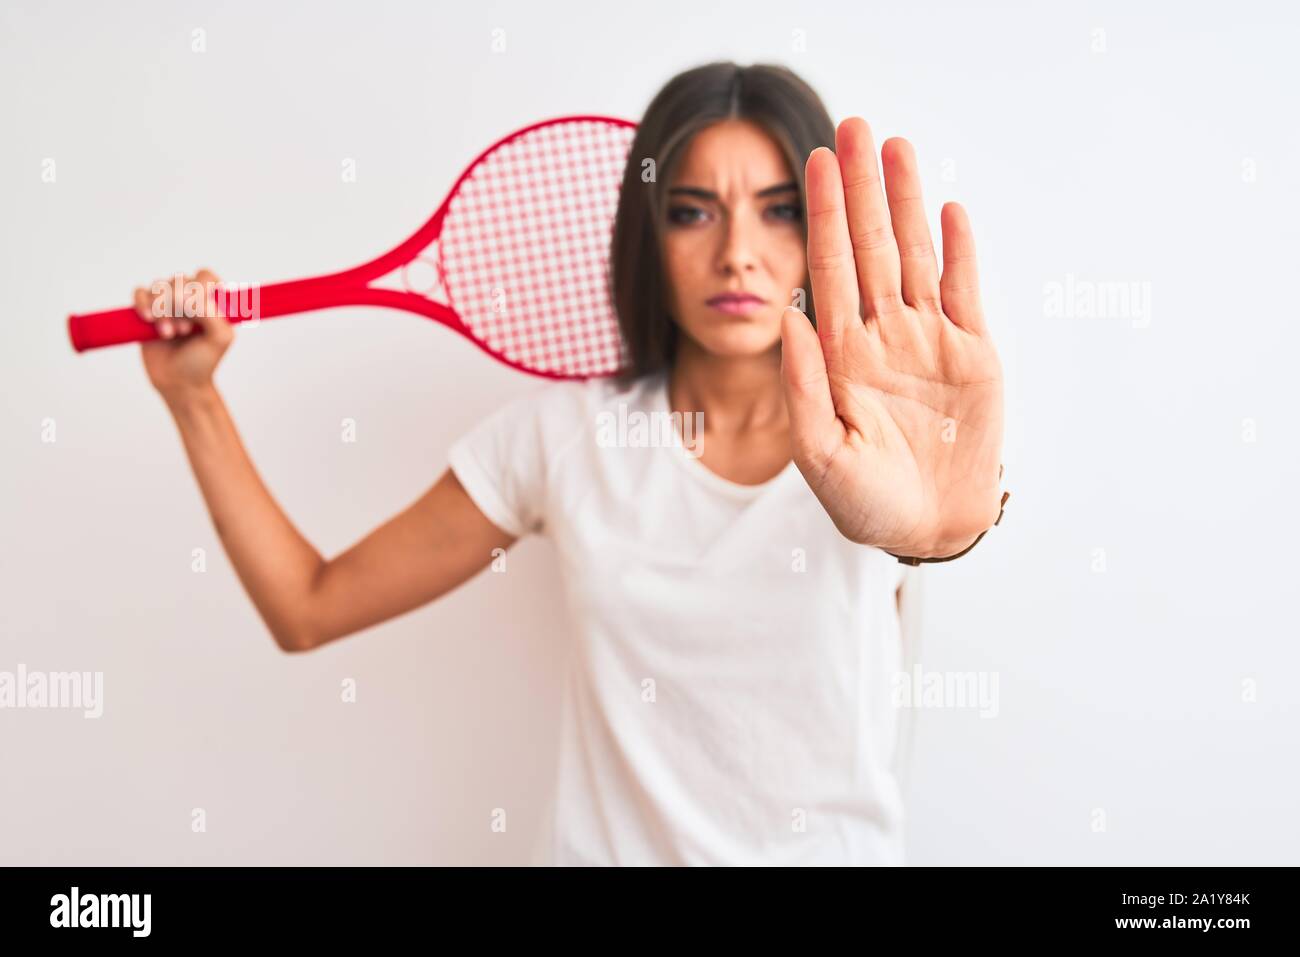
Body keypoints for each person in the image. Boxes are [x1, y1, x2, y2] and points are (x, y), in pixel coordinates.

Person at [133, 62, 1006, 866]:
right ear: (647, 234)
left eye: (779, 209)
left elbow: (940, 522)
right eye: (693, 209)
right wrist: (193, 397)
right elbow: (307, 606)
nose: (736, 250)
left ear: (825, 230)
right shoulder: (563, 440)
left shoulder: (887, 443)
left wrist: (950, 524)